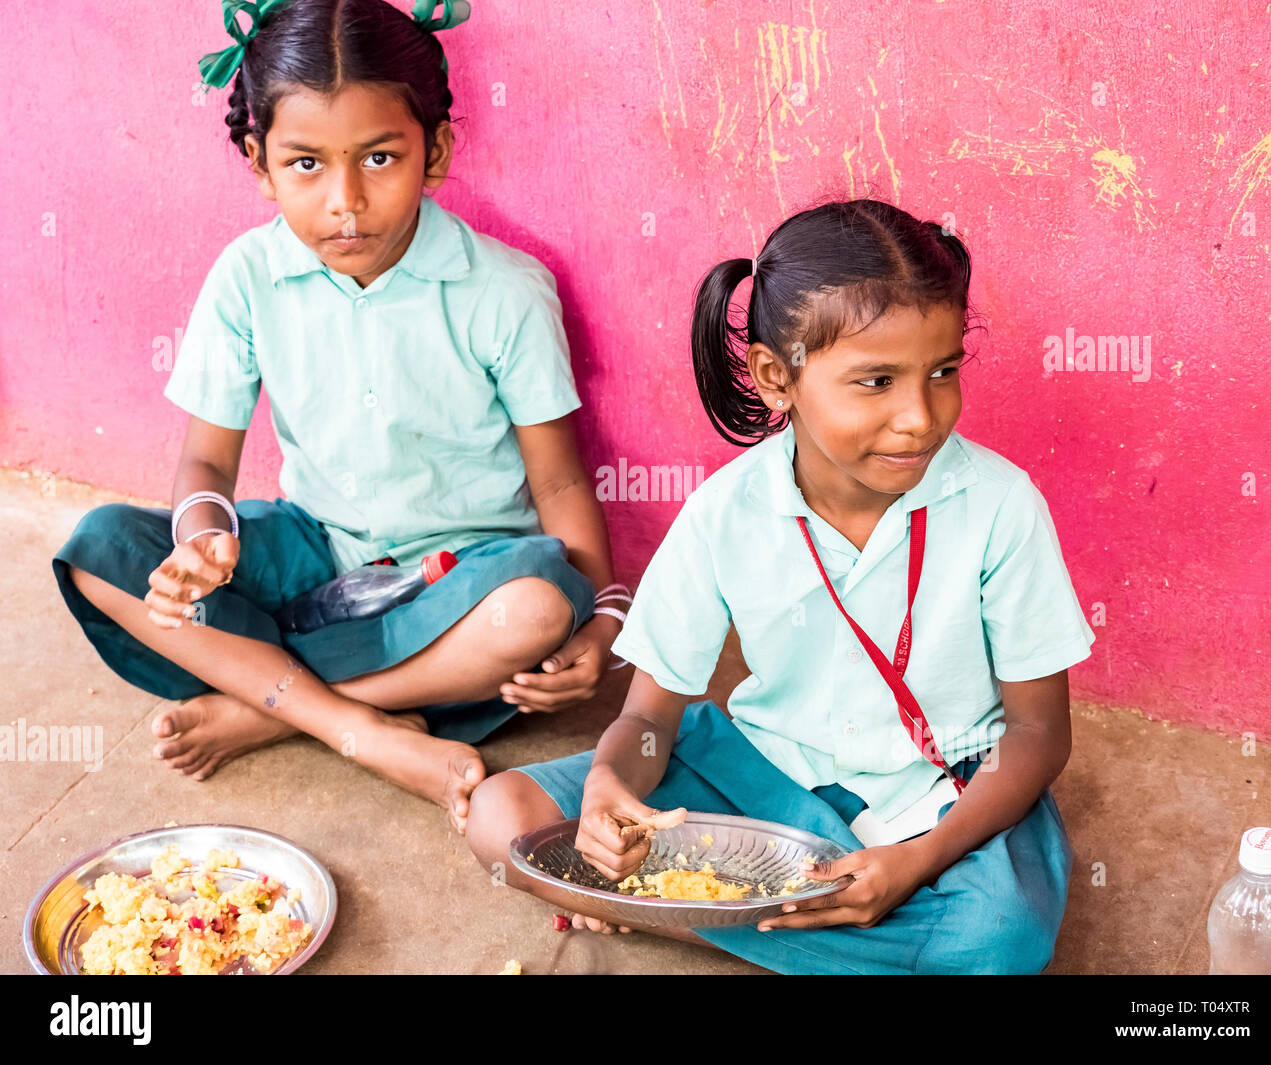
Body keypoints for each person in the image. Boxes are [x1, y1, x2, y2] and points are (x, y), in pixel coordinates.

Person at [467, 198, 1096, 973]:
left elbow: (1039, 734)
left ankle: (718, 911)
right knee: (504, 816)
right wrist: (605, 790)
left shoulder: (1001, 505)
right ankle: (807, 931)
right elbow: (648, 720)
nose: (920, 417)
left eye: (942, 372)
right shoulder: (726, 511)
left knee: (1001, 938)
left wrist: (917, 863)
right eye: (876, 381)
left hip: (945, 790)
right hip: (763, 772)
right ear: (776, 376)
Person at [51, 0, 627, 834]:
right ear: (260, 163)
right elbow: (206, 469)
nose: (345, 201)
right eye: (306, 164)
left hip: (463, 581)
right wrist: (201, 540)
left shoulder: (504, 290)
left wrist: (601, 622)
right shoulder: (247, 276)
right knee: (100, 549)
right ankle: (362, 726)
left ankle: (273, 705)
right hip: (319, 555)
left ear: (436, 151)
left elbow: (561, 478)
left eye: (380, 157)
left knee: (536, 609)